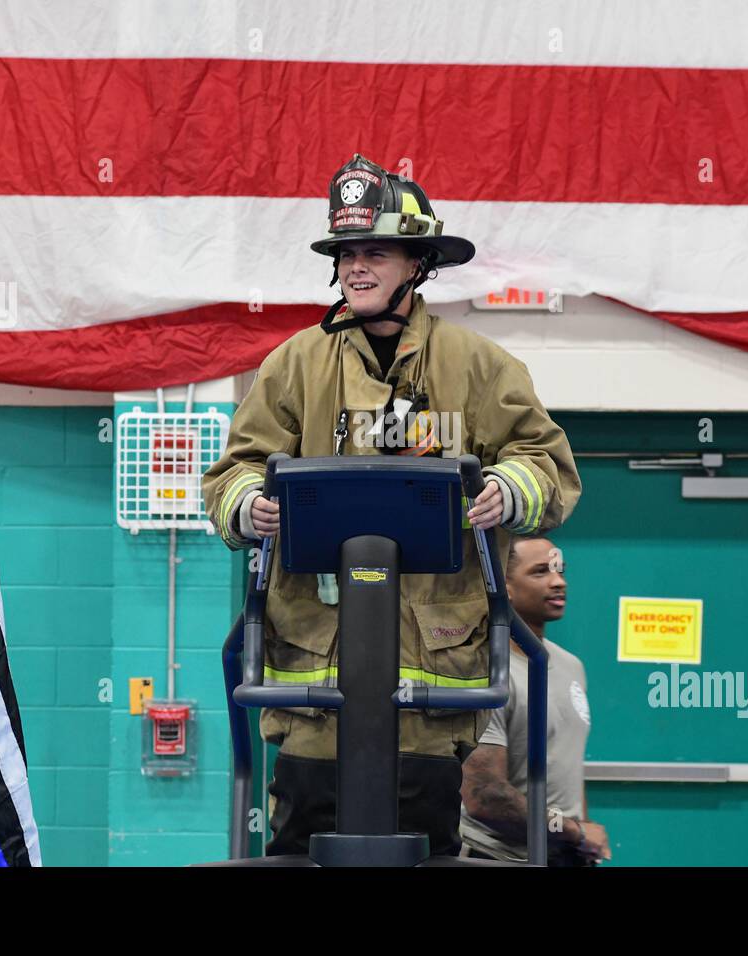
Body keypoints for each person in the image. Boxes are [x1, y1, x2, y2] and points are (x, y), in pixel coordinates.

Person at [202, 154, 581, 856]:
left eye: (374, 251)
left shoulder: (477, 367)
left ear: (417, 262)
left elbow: (548, 463)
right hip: (313, 703)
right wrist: (247, 503)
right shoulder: (295, 365)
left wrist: (509, 489)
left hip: (431, 709)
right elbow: (233, 470)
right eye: (346, 253)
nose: (356, 267)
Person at [459, 536, 611, 865]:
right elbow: (485, 798)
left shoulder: (572, 666)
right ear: (505, 587)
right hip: (502, 858)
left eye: (560, 570)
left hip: (564, 852)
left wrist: (579, 835)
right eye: (541, 571)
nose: (559, 582)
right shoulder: (488, 672)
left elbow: (565, 766)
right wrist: (574, 830)